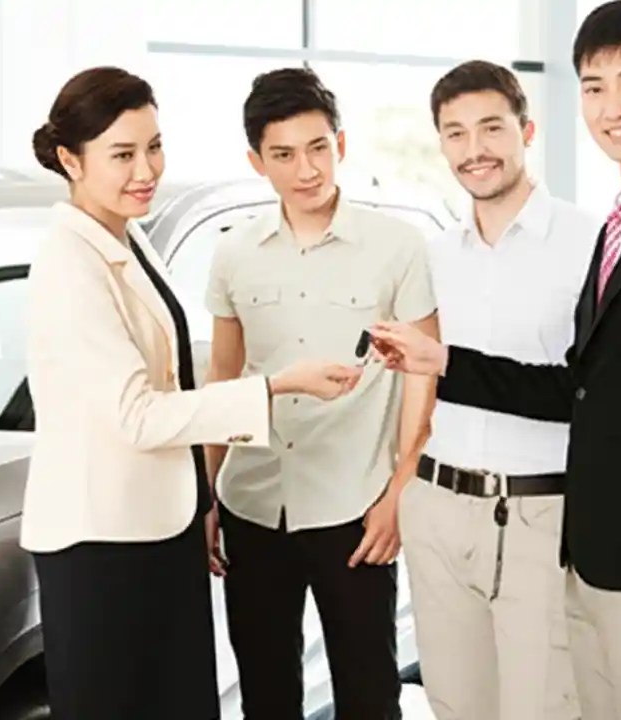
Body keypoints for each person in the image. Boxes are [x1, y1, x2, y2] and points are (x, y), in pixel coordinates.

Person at [369, 3, 621, 719]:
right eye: (594, 86)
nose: (613, 107)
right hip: (590, 558)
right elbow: (584, 390)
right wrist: (444, 362)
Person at [20, 66, 363, 720]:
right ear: (70, 159)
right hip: (104, 547)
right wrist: (277, 387)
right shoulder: (69, 264)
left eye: (154, 146)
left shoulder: (125, 235)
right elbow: (137, 415)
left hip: (156, 531)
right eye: (122, 154)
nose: (145, 169)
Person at [203, 67, 437, 719]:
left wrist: (399, 496)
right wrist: (207, 495)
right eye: (283, 155)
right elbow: (224, 378)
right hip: (253, 502)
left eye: (317, 148)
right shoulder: (234, 252)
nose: (305, 170)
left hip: (355, 507)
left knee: (368, 693)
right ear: (257, 161)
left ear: (341, 144)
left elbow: (424, 376)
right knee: (266, 693)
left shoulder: (398, 246)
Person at [400, 59, 593, 720]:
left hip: (542, 513)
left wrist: (447, 361)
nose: (474, 149)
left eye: (490, 128)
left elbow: (590, 391)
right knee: (456, 706)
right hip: (439, 508)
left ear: (526, 130)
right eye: (455, 133)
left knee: (546, 708)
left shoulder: (588, 243)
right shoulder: (435, 254)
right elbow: (417, 394)